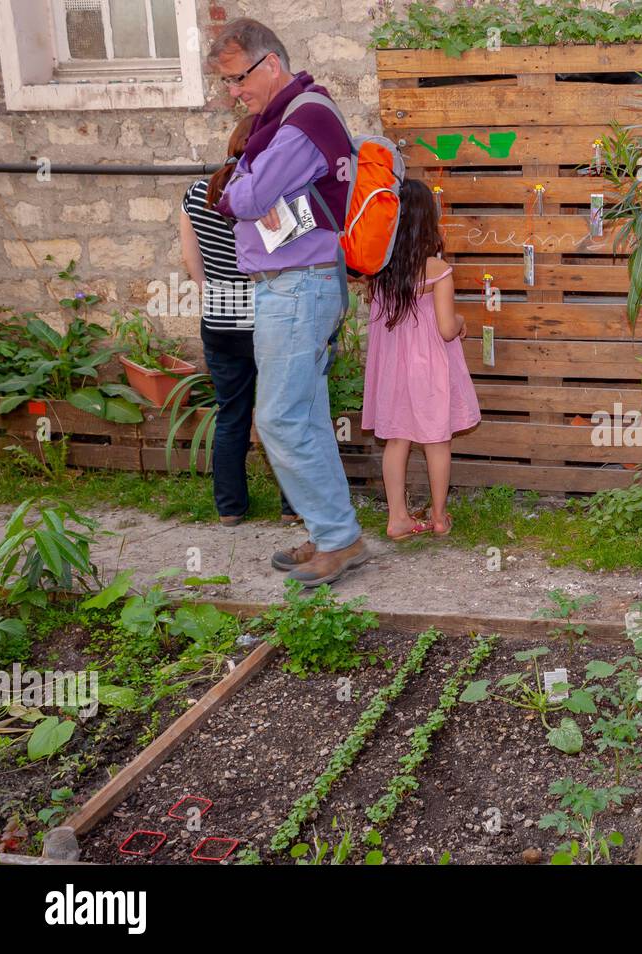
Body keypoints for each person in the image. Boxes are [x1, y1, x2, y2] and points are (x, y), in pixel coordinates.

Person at [208, 18, 369, 587]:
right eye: (226, 84)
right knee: (306, 416)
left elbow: (247, 197)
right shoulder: (289, 117)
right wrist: (244, 175)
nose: (233, 92)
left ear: (269, 63)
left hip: (296, 285)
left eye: (236, 79)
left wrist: (237, 178)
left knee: (278, 416)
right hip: (296, 283)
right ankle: (335, 533)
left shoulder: (300, 122)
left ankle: (337, 537)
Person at [178, 116, 298, 529]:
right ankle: (292, 507)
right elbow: (284, 262)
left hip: (220, 320)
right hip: (270, 317)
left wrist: (218, 294)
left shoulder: (195, 195)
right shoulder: (269, 195)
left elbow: (193, 265)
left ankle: (230, 509)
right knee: (282, 413)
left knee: (231, 415)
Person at [362, 180, 480, 539]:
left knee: (396, 440)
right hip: (427, 368)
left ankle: (397, 518)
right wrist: (461, 323)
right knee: (436, 441)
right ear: (427, 219)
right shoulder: (436, 269)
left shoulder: (378, 269)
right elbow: (445, 329)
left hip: (391, 371)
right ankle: (440, 518)